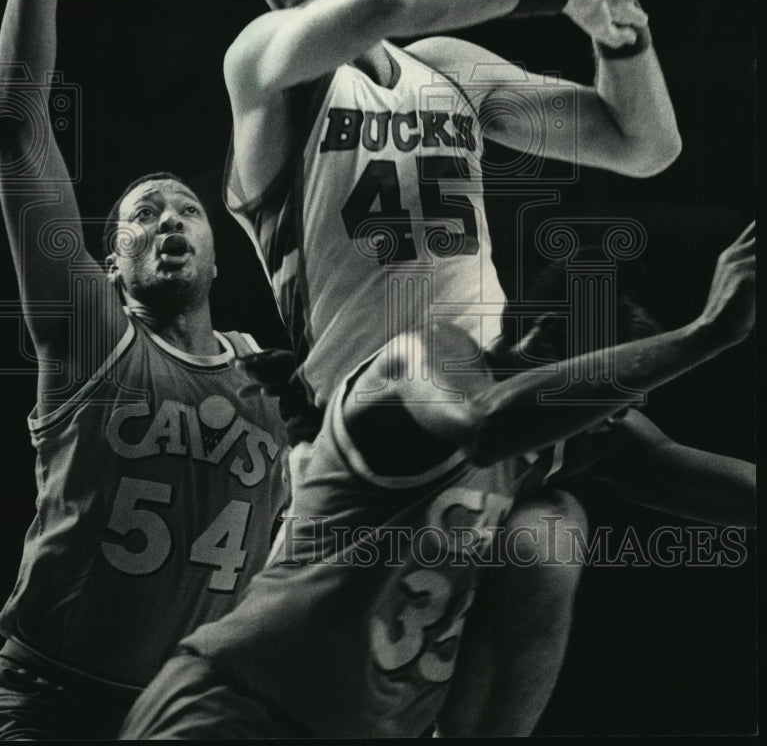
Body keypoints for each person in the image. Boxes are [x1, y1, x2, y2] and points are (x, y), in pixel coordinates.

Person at [119, 224, 754, 739]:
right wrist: (705, 335)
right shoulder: (426, 358)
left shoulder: (578, 443)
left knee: (552, 526)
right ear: (545, 337)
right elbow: (486, 425)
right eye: (612, 388)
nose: (616, 417)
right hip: (238, 707)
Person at [0, 0, 287, 740]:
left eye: (184, 211)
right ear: (109, 268)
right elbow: (14, 119)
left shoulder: (277, 382)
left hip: (189, 718)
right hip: (48, 697)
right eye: (139, 214)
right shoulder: (89, 336)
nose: (168, 219)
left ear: (215, 253)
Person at [215, 0, 682, 419]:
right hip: (362, 434)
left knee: (576, 498)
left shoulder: (447, 69)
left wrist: (619, 27)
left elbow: (644, 144)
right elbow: (391, 0)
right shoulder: (261, 63)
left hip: (487, 413)